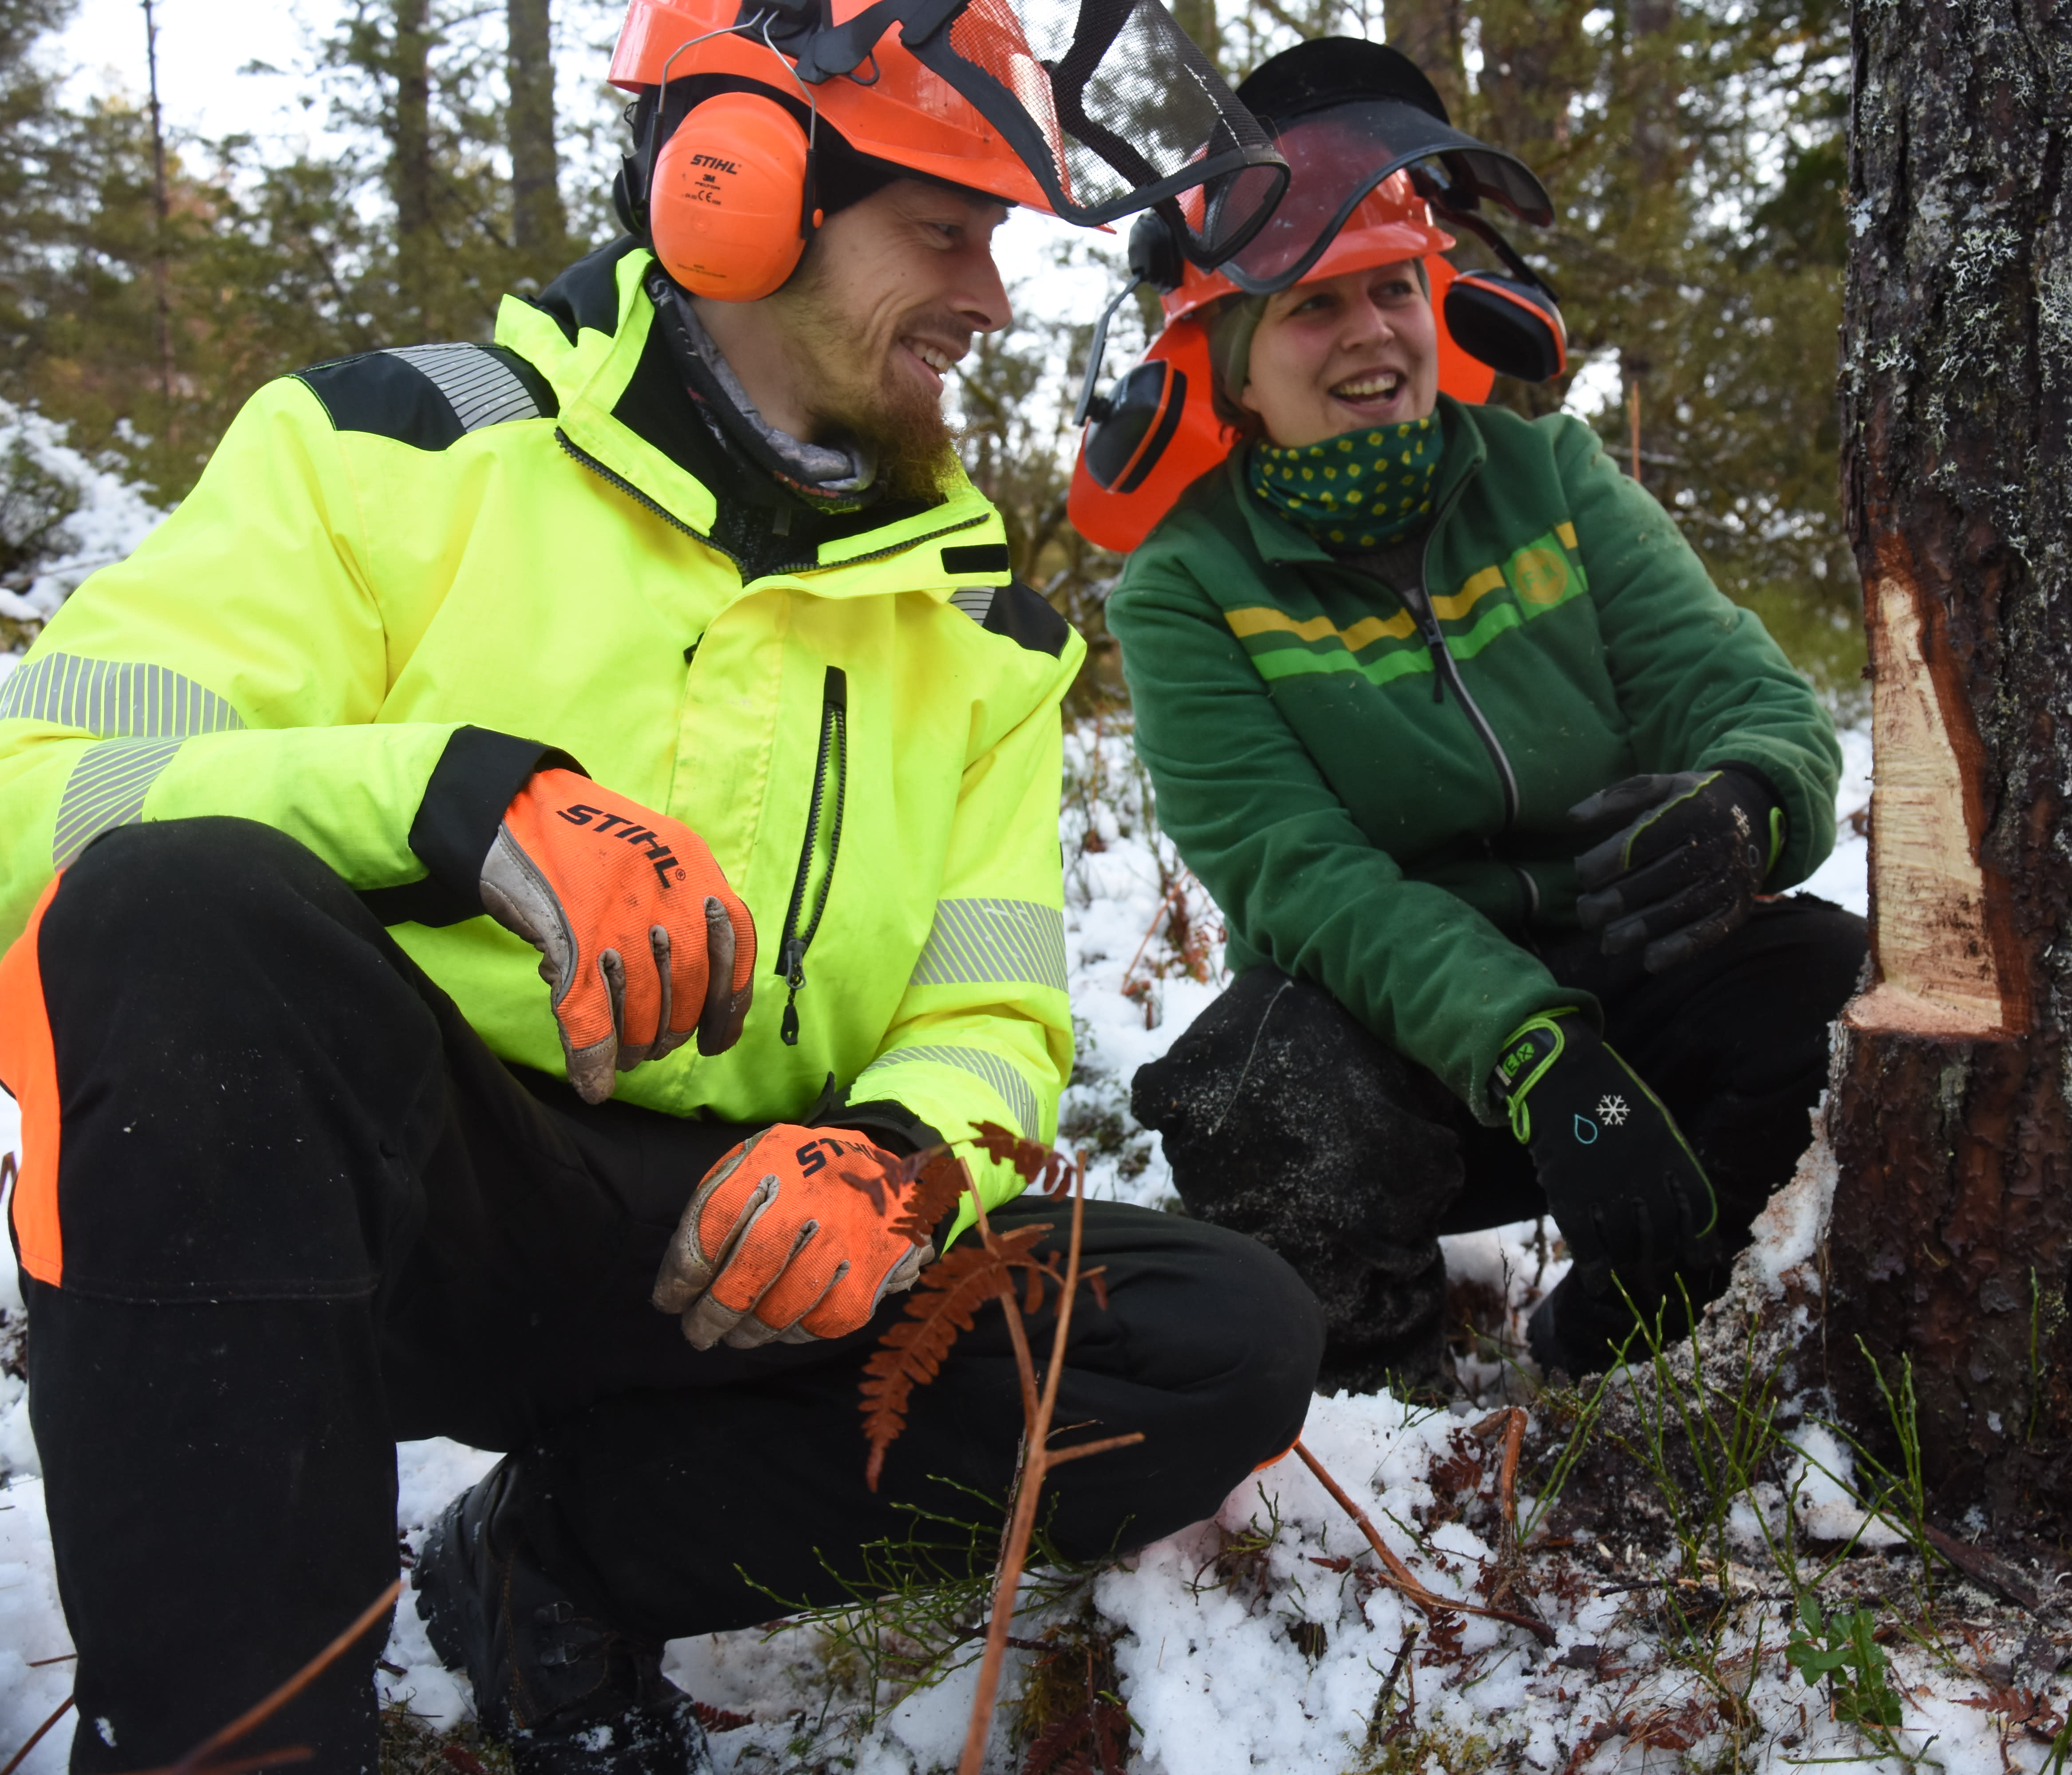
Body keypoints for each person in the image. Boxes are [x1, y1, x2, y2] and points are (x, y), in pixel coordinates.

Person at [0, 4, 1319, 1770]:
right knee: (174, 913)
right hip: (366, 1222)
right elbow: (37, 796)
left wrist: (896, 1157)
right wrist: (443, 800)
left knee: (1209, 1338)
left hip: (747, 1261)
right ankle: (230, 1742)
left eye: (997, 239)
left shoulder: (980, 631)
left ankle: (553, 1566)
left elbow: (992, 1007)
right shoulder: (386, 448)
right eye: (947, 229)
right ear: (736, 190)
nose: (989, 298)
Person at [1095, 39, 1865, 1395]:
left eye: (1393, 289)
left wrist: (1752, 797)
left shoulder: (1555, 476)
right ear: (1230, 361)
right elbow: (1302, 879)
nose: (1372, 336)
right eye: (1314, 309)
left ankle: (1642, 1334)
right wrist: (1533, 1047)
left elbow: (1741, 691)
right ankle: (1385, 1438)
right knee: (1254, 1089)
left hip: (1630, 980)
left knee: (1827, 986)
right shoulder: (1183, 589)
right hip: (1409, 1043)